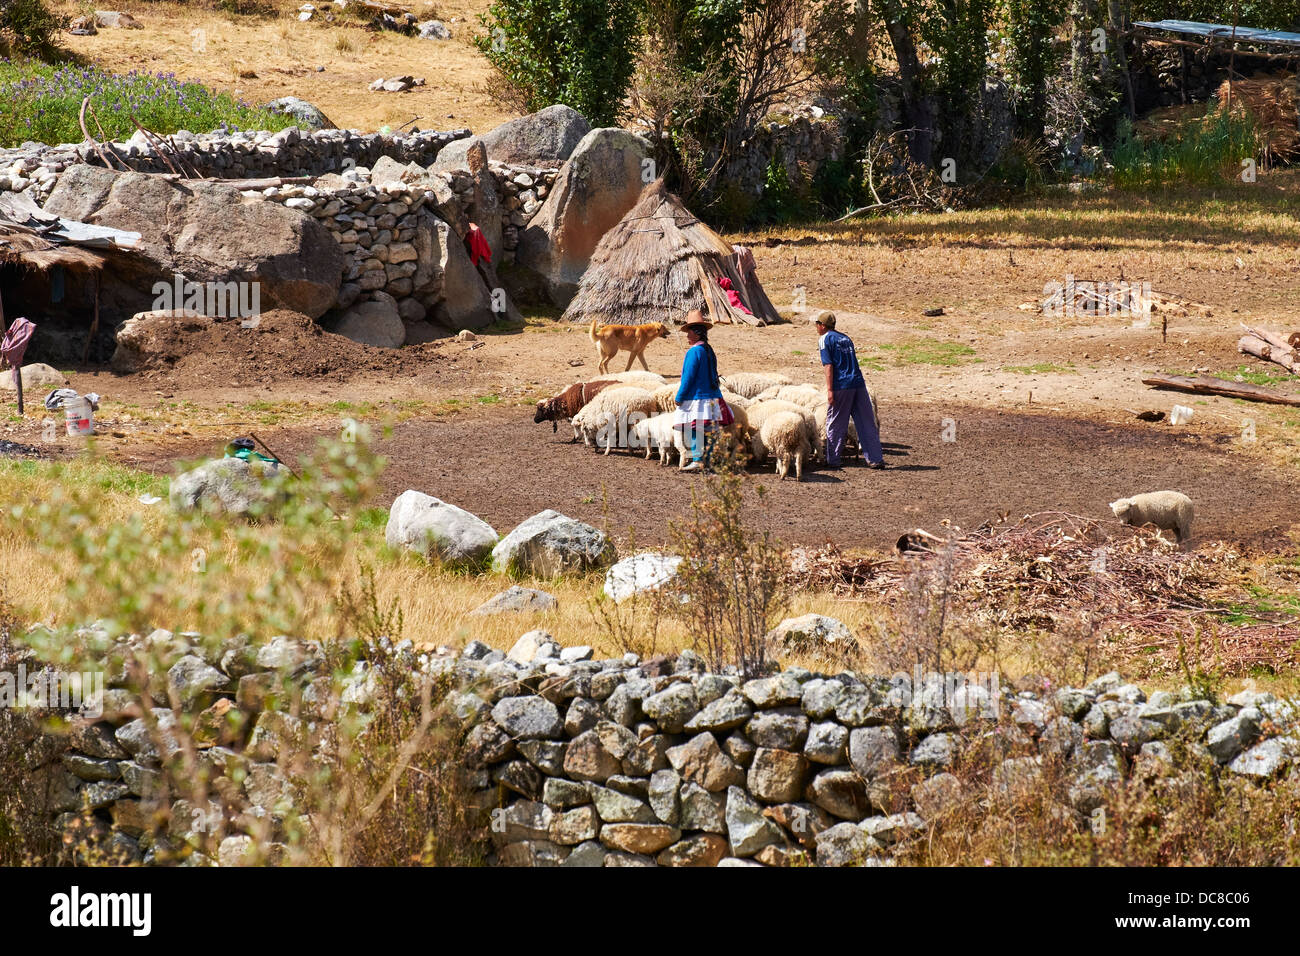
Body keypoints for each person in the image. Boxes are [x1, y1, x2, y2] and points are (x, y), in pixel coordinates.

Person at [815, 311, 885, 470]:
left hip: (842, 385)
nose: (816, 327)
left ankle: (833, 460)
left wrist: (830, 390)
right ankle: (875, 458)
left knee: (836, 422)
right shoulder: (846, 338)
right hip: (859, 384)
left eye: (817, 324)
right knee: (867, 422)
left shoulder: (824, 340)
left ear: (823, 326)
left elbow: (828, 366)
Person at [674, 308, 725, 472]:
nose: (687, 336)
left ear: (696, 333)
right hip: (712, 395)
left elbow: (688, 376)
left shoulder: (694, 351)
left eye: (689, 332)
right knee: (708, 430)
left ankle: (697, 459)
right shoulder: (708, 350)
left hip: (697, 397)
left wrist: (680, 396)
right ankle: (708, 460)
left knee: (695, 428)